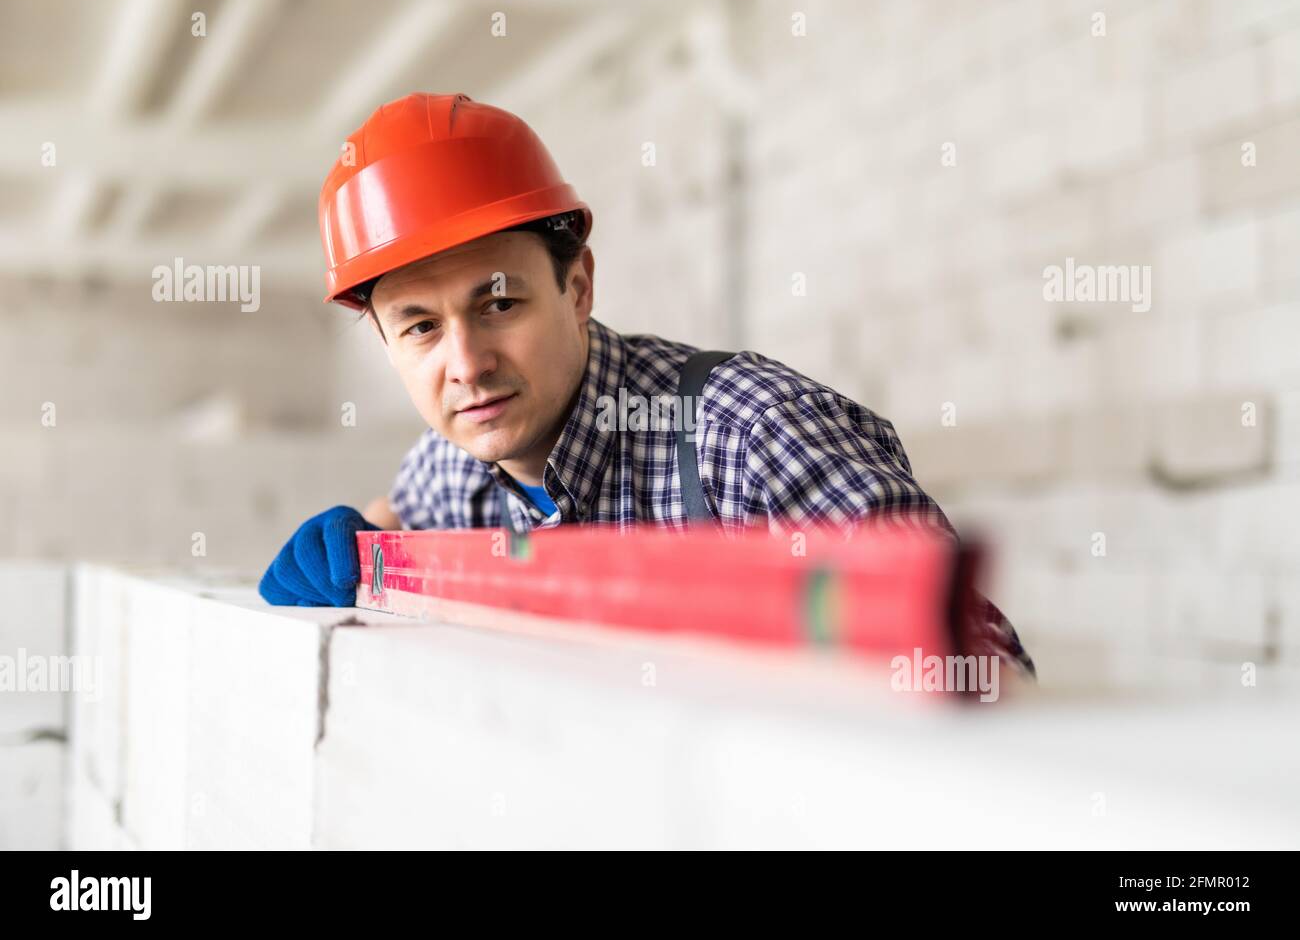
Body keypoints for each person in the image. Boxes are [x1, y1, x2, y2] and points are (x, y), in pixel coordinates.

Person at [259, 92, 1034, 678]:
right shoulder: (450, 465)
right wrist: (355, 535)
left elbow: (988, 668)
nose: (465, 364)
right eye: (421, 326)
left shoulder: (750, 438)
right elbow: (402, 508)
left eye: (498, 303)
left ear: (578, 286)